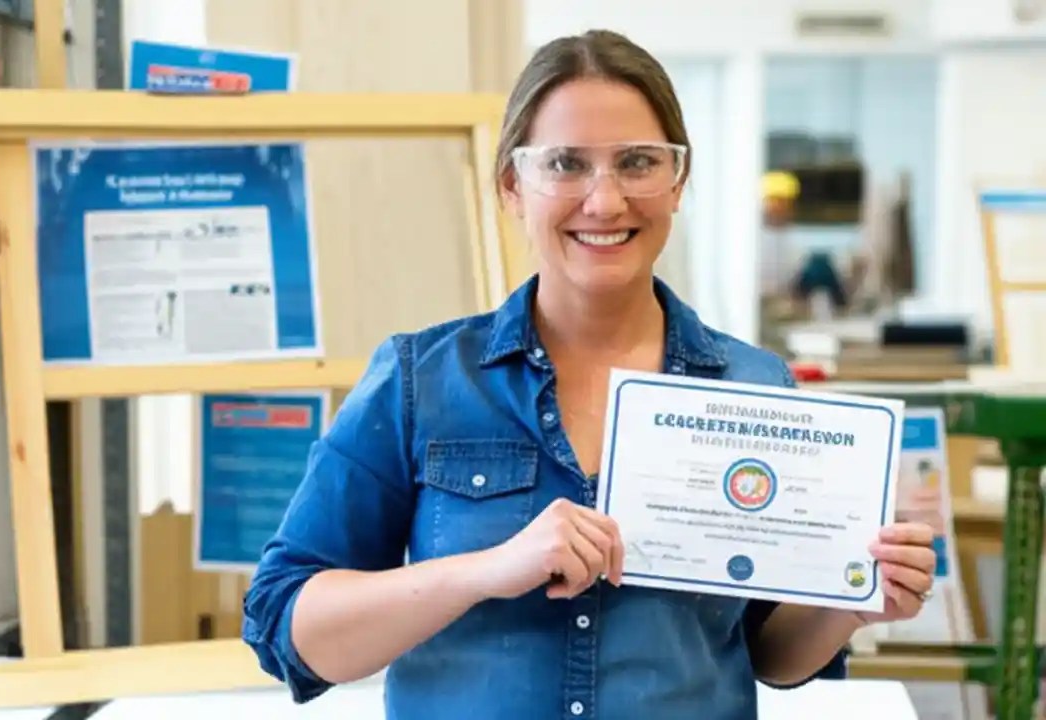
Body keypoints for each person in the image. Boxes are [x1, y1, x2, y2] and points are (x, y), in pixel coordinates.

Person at [242, 29, 937, 719]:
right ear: (513, 186)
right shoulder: (420, 383)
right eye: (566, 164)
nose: (604, 201)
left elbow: (766, 652)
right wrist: (486, 571)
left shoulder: (754, 387)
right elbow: (285, 625)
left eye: (637, 162)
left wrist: (852, 604)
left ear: (677, 182)